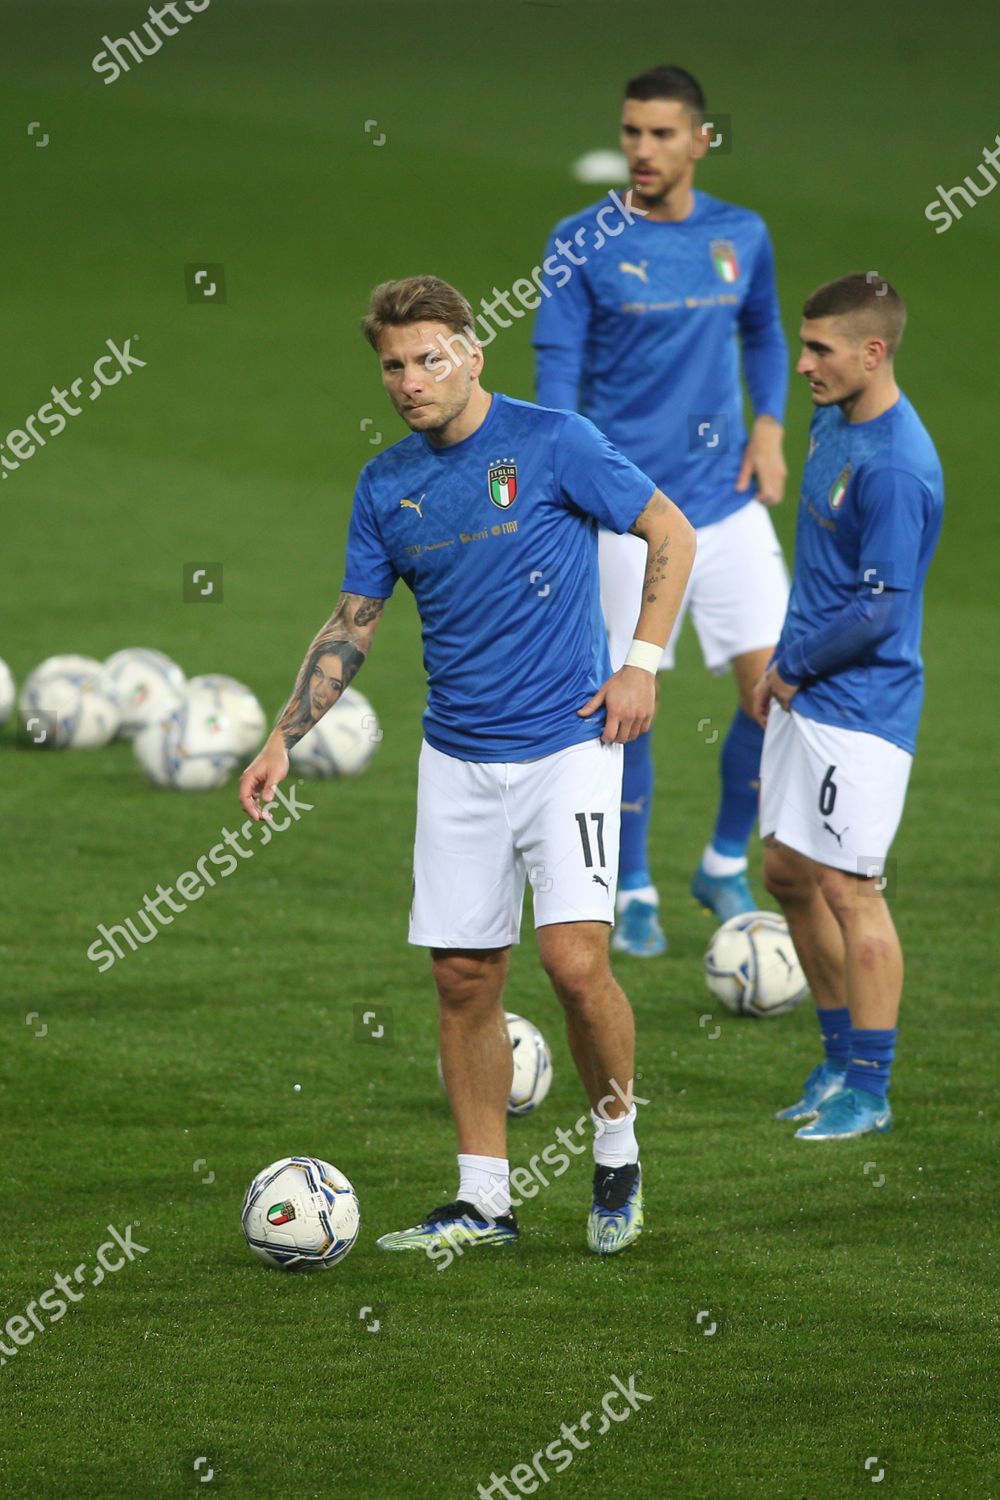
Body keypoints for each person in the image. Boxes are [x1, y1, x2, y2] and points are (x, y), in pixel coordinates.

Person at [240, 276, 696, 1254]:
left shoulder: (553, 442)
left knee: (573, 964)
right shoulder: (384, 485)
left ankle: (615, 1146)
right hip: (455, 759)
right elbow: (352, 624)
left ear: (472, 352)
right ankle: (484, 1199)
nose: (409, 380)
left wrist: (641, 665)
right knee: (460, 977)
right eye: (394, 365)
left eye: (428, 358)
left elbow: (669, 529)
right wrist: (286, 733)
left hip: (567, 746)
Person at [533, 63, 789, 955]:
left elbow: (763, 329)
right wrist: (561, 478)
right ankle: (630, 884)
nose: (641, 150)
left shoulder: (740, 235)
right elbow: (556, 374)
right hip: (628, 517)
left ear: (699, 140)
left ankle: (723, 862)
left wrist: (769, 426)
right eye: (631, 132)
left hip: (726, 506)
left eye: (661, 134)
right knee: (624, 704)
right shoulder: (581, 240)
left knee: (778, 697)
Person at [753, 272, 943, 1140]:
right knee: (787, 874)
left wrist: (788, 665)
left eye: (821, 350)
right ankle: (835, 1060)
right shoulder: (834, 420)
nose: (803, 365)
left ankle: (871, 1089)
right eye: (801, 344)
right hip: (806, 688)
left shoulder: (899, 467)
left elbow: (881, 610)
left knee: (849, 887)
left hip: (861, 706)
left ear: (874, 351)